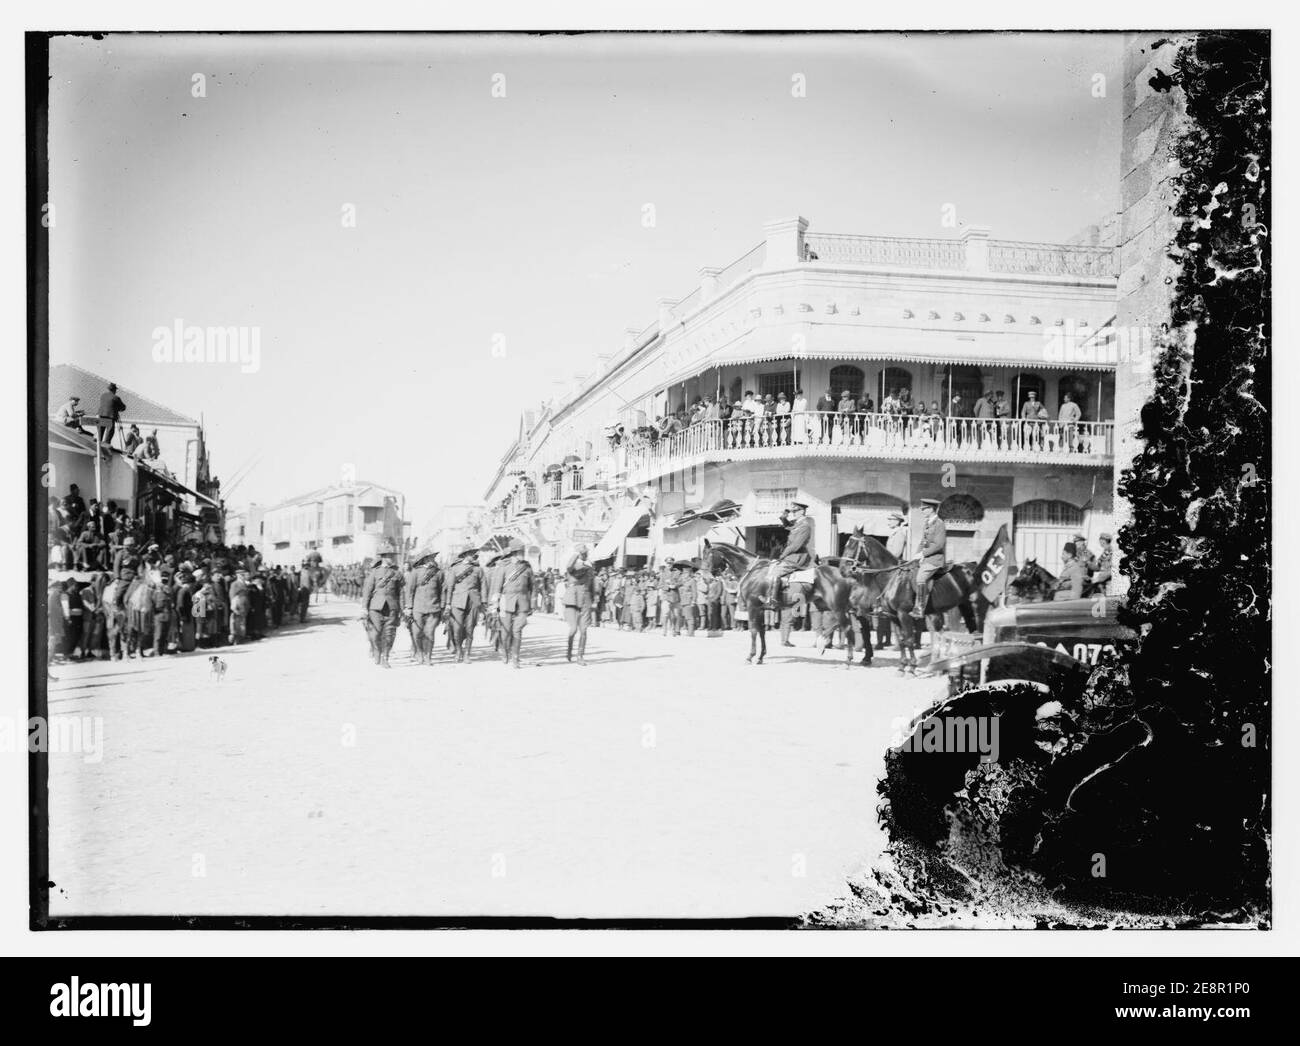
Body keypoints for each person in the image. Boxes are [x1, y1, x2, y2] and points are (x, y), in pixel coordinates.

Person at [360, 543, 404, 668]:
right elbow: (367, 591)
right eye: (390, 556)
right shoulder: (374, 573)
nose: (392, 558)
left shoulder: (397, 573)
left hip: (392, 608)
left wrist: (403, 608)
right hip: (375, 608)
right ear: (384, 557)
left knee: (389, 634)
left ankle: (386, 657)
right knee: (375, 634)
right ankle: (377, 650)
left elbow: (401, 593)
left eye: (393, 556)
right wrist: (364, 608)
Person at [765, 500, 815, 610]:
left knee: (775, 573)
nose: (793, 513)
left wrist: (782, 556)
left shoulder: (805, 526)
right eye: (793, 512)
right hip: (791, 556)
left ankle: (772, 600)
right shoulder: (798, 524)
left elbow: (795, 546)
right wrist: (784, 516)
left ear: (802, 512)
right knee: (771, 568)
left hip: (797, 557)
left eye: (795, 511)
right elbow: (787, 526)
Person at [494, 539, 534, 669]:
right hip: (506, 601)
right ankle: (504, 650)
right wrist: (495, 604)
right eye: (521, 551)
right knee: (505, 632)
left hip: (522, 602)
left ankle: (515, 657)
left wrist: (532, 604)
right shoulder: (504, 567)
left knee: (517, 630)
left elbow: (532, 587)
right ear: (515, 552)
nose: (523, 554)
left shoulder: (527, 567)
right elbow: (497, 587)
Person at [403, 548, 443, 665]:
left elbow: (442, 590)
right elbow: (409, 591)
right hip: (418, 608)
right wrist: (409, 607)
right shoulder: (415, 573)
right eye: (431, 557)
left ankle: (428, 657)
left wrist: (443, 606)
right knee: (416, 633)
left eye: (433, 557)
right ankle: (419, 652)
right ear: (425, 559)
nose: (433, 559)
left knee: (429, 633)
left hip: (433, 607)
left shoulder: (438, 573)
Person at [446, 546, 484, 664]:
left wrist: (483, 603)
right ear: (465, 555)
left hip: (473, 601)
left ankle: (467, 653)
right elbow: (450, 587)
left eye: (474, 553)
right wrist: (447, 603)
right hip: (457, 601)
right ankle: (458, 651)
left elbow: (483, 586)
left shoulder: (478, 570)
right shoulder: (455, 569)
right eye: (471, 554)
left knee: (470, 628)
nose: (474, 555)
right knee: (457, 628)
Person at [912, 498, 946, 619]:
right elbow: (923, 541)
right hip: (926, 558)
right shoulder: (927, 523)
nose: (922, 511)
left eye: (925, 509)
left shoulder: (939, 524)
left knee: (921, 577)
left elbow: (939, 544)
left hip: (935, 559)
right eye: (922, 508)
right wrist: (916, 555)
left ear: (932, 509)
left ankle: (920, 608)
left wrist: (923, 554)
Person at [563, 544, 595, 664]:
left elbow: (592, 585)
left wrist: (594, 599)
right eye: (584, 553)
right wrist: (576, 554)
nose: (586, 554)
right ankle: (569, 649)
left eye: (586, 552)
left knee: (584, 629)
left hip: (585, 599)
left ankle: (580, 656)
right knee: (573, 629)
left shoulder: (590, 568)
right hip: (572, 599)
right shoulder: (574, 567)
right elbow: (568, 566)